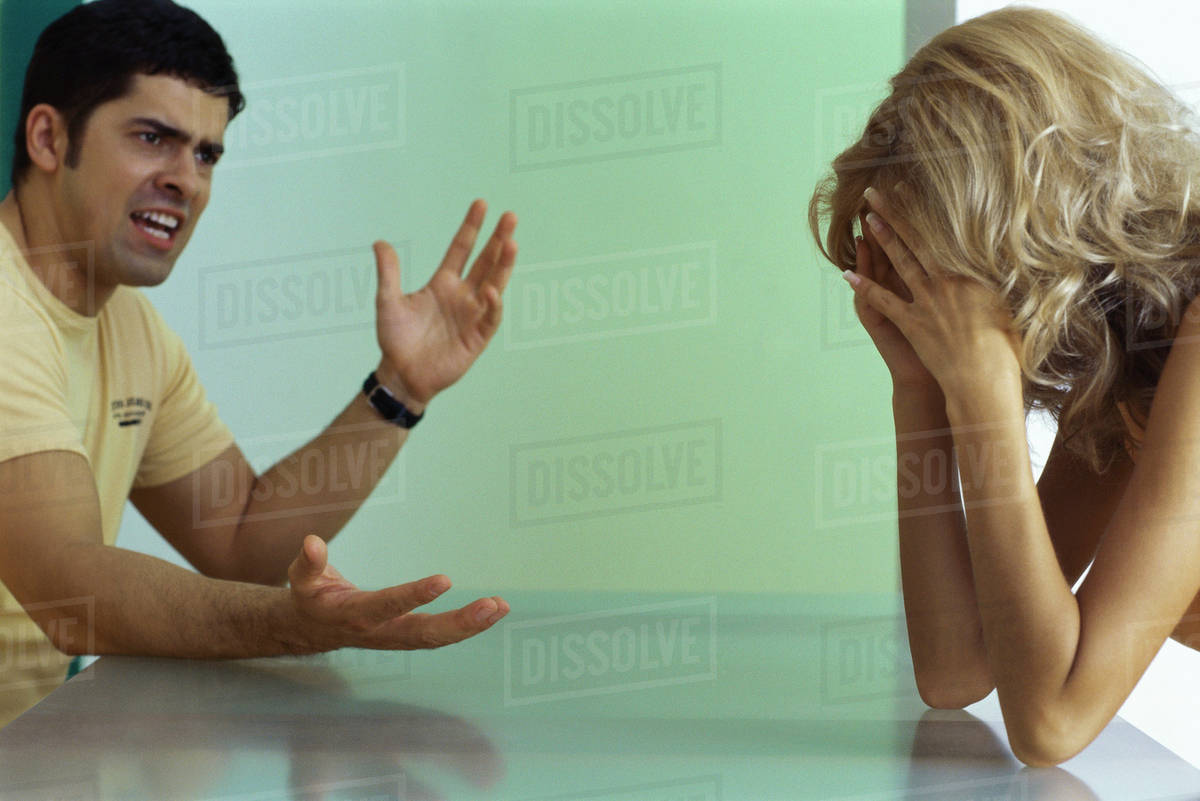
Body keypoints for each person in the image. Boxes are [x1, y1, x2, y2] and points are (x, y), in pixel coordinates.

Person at [0, 0, 516, 726]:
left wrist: (398, 388)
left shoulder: (133, 329)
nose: (186, 180)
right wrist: (291, 626)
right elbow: (69, 591)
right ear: (50, 139)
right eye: (153, 137)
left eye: (206, 154)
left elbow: (240, 541)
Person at [809, 7, 1200, 767]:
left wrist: (983, 391)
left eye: (940, 266)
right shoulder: (1134, 363)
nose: (934, 302)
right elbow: (957, 667)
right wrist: (922, 391)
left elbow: (1052, 722)